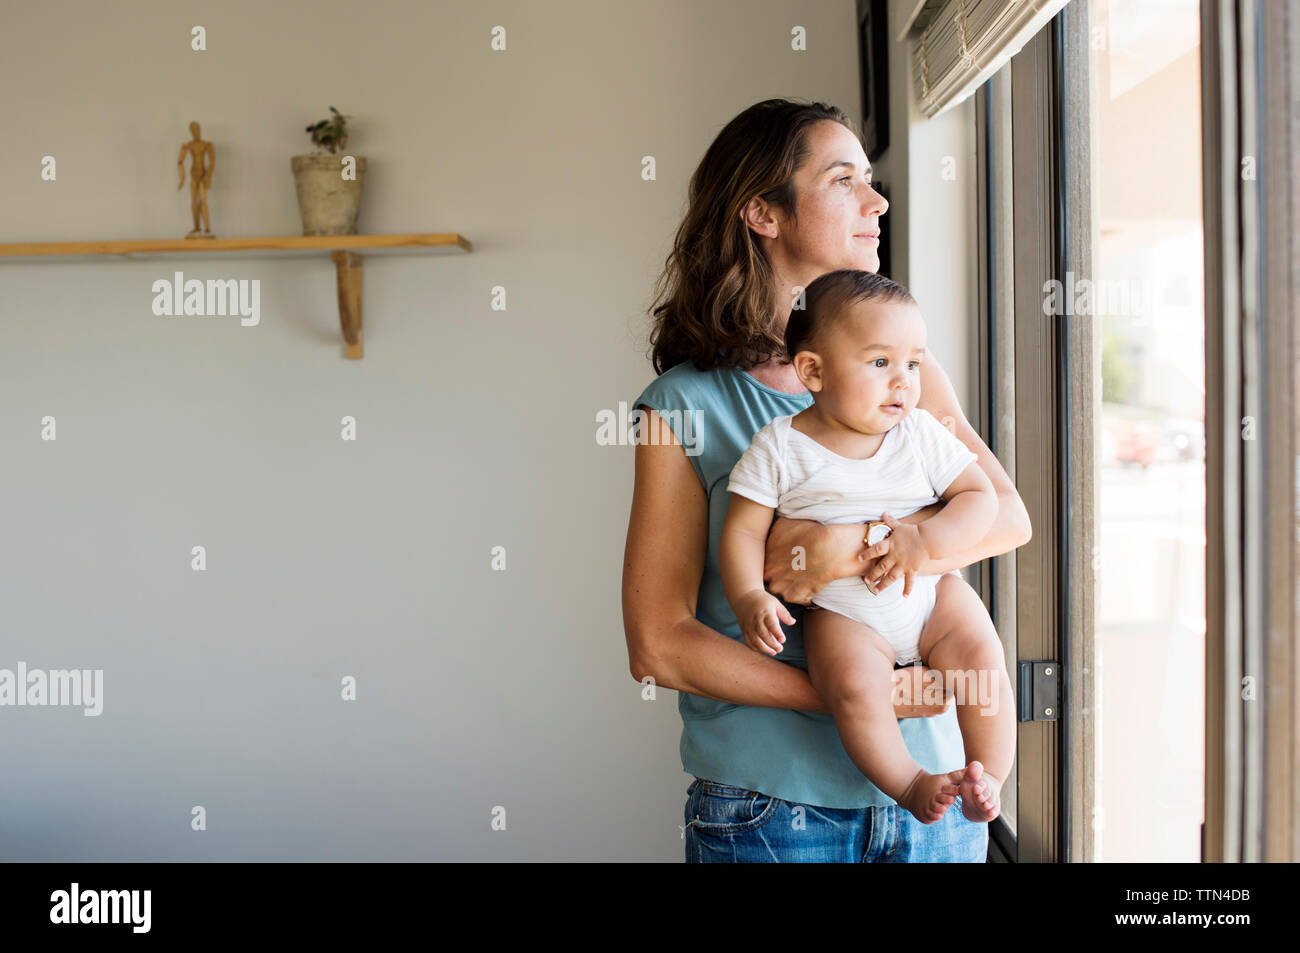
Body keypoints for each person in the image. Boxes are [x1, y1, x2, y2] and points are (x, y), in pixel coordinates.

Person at [621, 99, 1031, 863]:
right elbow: (658, 644)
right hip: (770, 808)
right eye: (844, 180)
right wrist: (856, 697)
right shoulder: (682, 405)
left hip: (940, 796)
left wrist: (847, 545)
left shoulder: (906, 372)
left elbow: (1007, 517)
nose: (877, 203)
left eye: (870, 181)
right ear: (761, 213)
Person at [719, 268, 1017, 827]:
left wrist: (925, 540)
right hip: (845, 614)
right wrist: (747, 596)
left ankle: (989, 776)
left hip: (930, 598)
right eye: (881, 363)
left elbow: (980, 498)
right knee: (856, 689)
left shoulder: (921, 434)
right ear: (814, 369)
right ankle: (908, 782)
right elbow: (741, 531)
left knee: (982, 659)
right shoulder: (781, 445)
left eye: (913, 362)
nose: (904, 380)